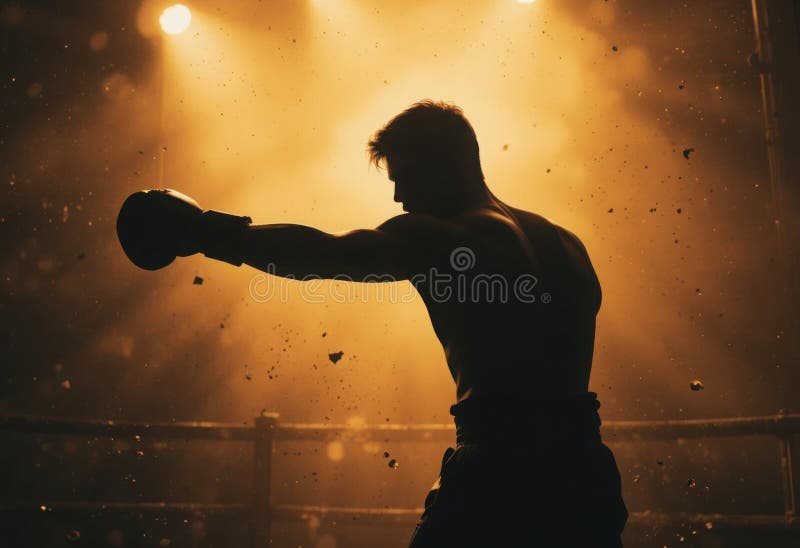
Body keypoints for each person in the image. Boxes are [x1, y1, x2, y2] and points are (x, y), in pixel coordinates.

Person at [116, 100, 628, 547]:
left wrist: (205, 230)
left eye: (405, 178)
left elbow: (322, 255)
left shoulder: (441, 238)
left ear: (444, 166)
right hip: (584, 470)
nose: (399, 198)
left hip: (500, 469)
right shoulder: (567, 245)